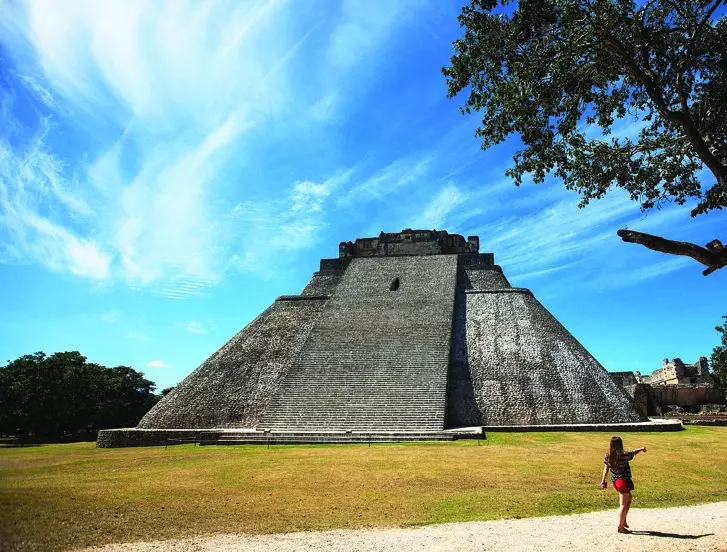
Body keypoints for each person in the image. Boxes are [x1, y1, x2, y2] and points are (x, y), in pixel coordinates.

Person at [600, 436, 646, 534]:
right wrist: (641, 449)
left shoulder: (608, 455)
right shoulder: (624, 455)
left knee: (629, 498)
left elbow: (606, 468)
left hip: (616, 481)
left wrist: (603, 480)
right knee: (623, 505)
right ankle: (620, 526)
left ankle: (623, 519)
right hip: (623, 481)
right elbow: (633, 452)